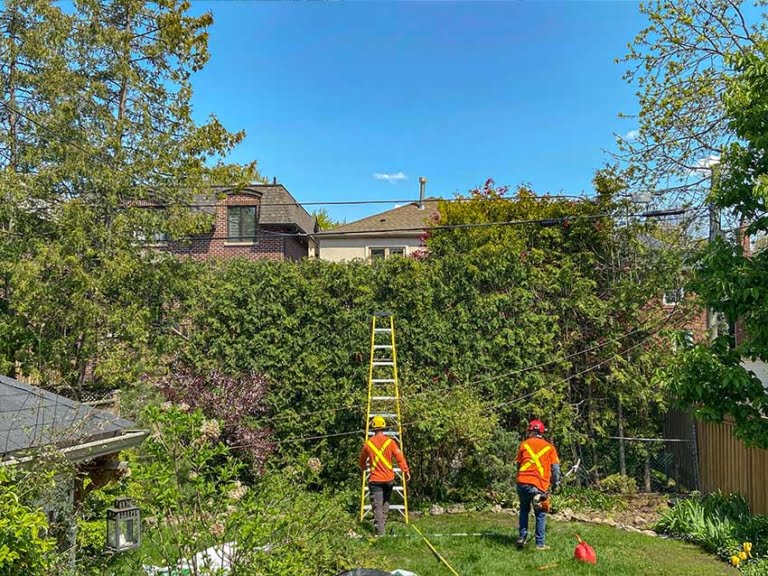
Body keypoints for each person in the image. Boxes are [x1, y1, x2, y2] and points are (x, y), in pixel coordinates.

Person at [359, 416, 411, 536]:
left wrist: (363, 468)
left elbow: (362, 461)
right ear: (384, 427)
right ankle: (383, 525)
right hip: (389, 479)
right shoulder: (390, 442)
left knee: (377, 506)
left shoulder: (368, 444)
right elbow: (399, 457)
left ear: (373, 427)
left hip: (375, 480)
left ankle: (380, 533)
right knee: (385, 502)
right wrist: (405, 470)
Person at [515, 419, 560, 550]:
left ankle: (522, 538)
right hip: (539, 486)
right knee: (540, 513)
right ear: (541, 432)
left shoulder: (524, 445)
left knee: (524, 510)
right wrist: (556, 483)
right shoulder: (550, 448)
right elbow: (555, 469)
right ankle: (540, 544)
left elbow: (519, 465)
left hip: (522, 483)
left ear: (531, 431)